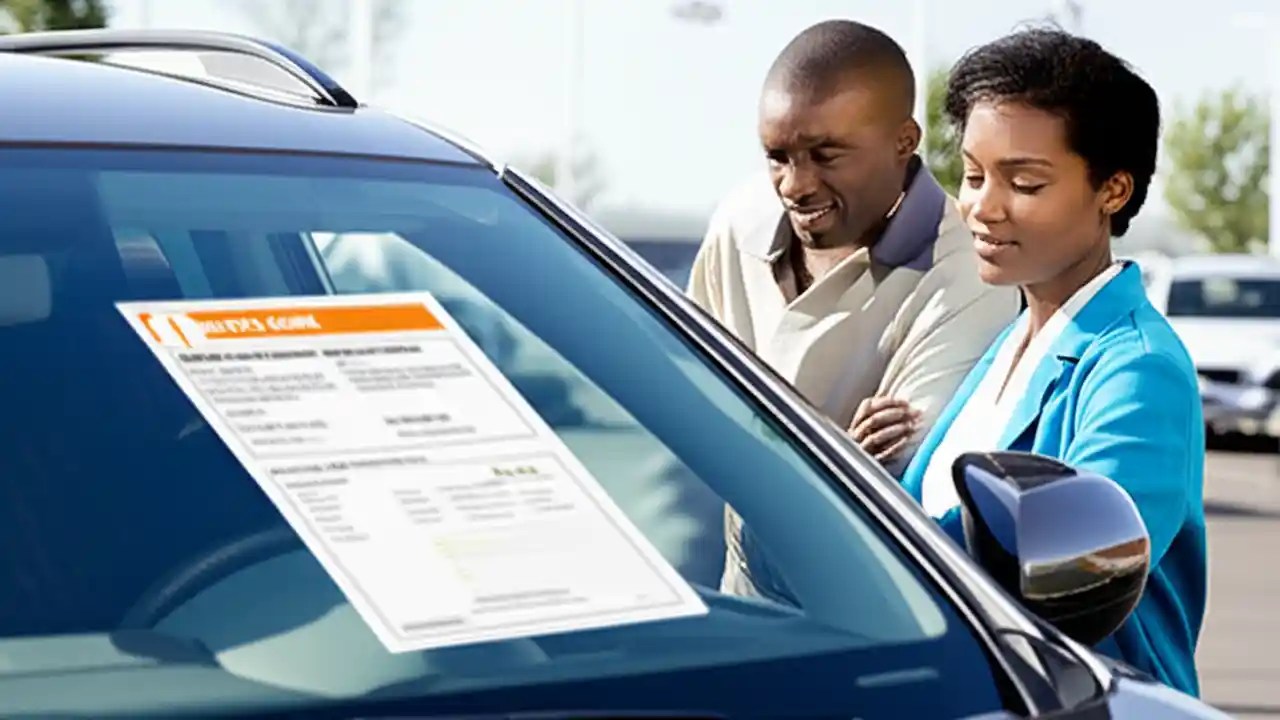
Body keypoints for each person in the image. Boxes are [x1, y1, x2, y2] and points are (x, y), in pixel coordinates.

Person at [899, 29, 1207, 697]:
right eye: (974, 175)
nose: (982, 206)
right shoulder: (1009, 342)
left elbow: (1078, 570)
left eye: (1025, 182)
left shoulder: (1136, 367)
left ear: (1114, 190)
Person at [687, 20, 1020, 602]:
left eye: (826, 155)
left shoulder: (967, 275)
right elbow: (683, 408)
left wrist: (761, 452)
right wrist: (835, 450)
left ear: (904, 140)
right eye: (777, 157)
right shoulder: (738, 224)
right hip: (736, 609)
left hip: (873, 625)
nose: (795, 184)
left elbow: (892, 496)